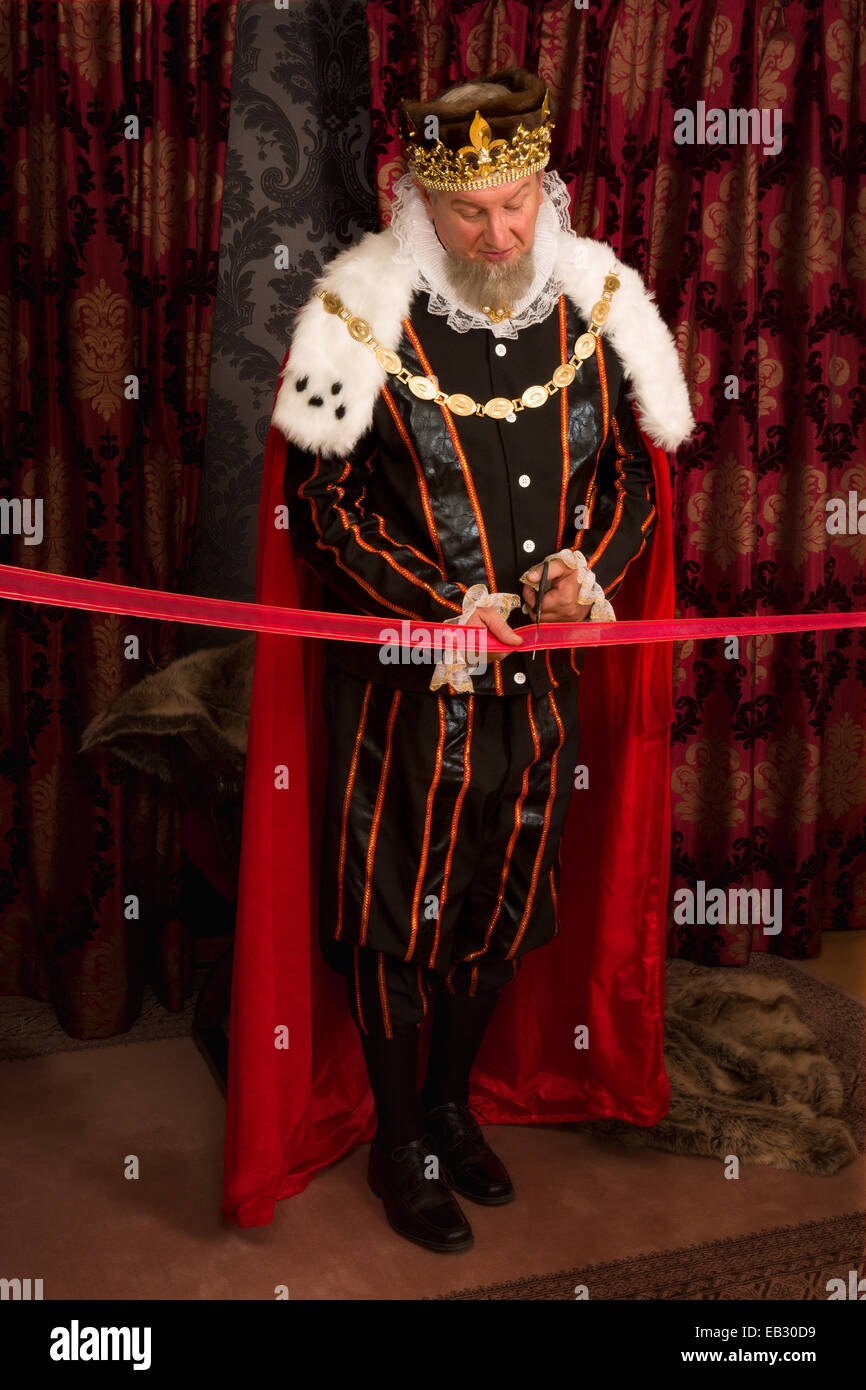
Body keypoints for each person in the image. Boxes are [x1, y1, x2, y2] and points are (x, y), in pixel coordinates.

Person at [224, 66, 694, 1245]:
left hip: (537, 687)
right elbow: (317, 515)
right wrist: (442, 601)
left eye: (518, 201)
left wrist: (586, 573)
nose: (500, 229)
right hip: (400, 692)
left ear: (547, 185)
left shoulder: (600, 305)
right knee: (393, 918)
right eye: (470, 209)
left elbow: (635, 479)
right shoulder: (350, 314)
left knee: (499, 905)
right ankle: (397, 1138)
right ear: (415, 199)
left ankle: (448, 1104)